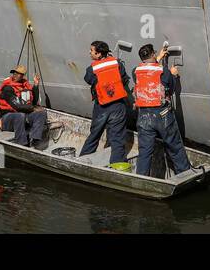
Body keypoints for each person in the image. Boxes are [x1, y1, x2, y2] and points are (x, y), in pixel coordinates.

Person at [133, 43, 192, 177]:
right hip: (162, 115)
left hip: (143, 117)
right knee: (174, 146)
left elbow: (147, 71)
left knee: (145, 152)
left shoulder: (136, 71)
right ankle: (185, 175)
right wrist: (173, 74)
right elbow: (170, 89)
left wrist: (158, 58)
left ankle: (141, 177)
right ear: (153, 54)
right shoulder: (164, 72)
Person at [79, 40, 131, 170]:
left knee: (95, 134)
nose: (89, 52)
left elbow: (88, 80)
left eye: (91, 51)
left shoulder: (92, 69)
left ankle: (83, 160)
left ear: (98, 54)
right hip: (119, 105)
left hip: (102, 107)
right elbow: (124, 78)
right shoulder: (117, 63)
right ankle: (118, 166)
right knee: (118, 138)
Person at [0, 64, 47, 148]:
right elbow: (17, 106)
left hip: (23, 117)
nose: (15, 75)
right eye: (14, 73)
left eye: (18, 73)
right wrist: (33, 108)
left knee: (41, 113)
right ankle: (21, 143)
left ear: (22, 76)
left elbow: (33, 100)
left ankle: (35, 140)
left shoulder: (24, 86)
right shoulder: (7, 89)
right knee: (19, 115)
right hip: (7, 119)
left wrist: (36, 85)